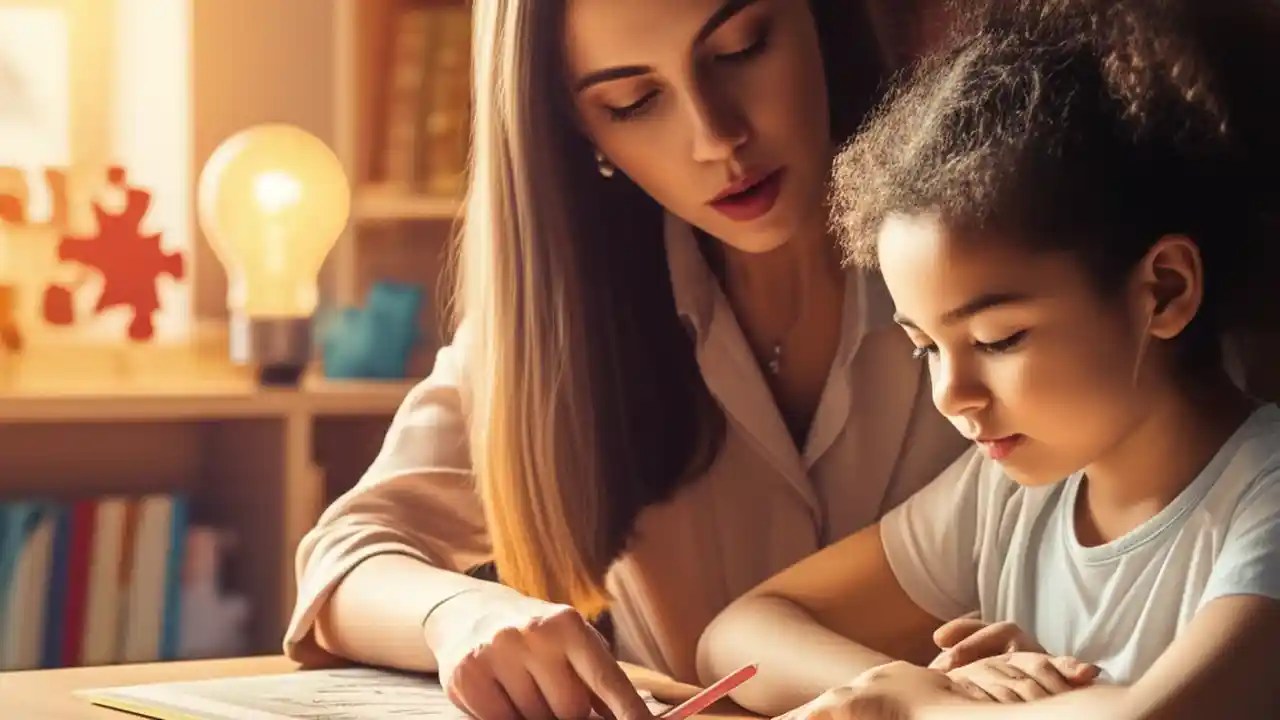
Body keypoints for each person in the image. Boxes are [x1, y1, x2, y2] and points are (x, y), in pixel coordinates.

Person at [283, 1, 968, 719]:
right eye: (634, 102)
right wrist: (462, 616)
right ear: (583, 132)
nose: (715, 137)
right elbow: (346, 559)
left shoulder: (993, 262)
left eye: (740, 49)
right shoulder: (569, 326)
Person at [697, 1, 1280, 718]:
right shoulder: (1008, 495)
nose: (952, 393)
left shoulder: (1265, 500)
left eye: (999, 339)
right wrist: (924, 684)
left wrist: (928, 711)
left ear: (1163, 290)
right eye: (925, 346)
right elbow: (739, 636)